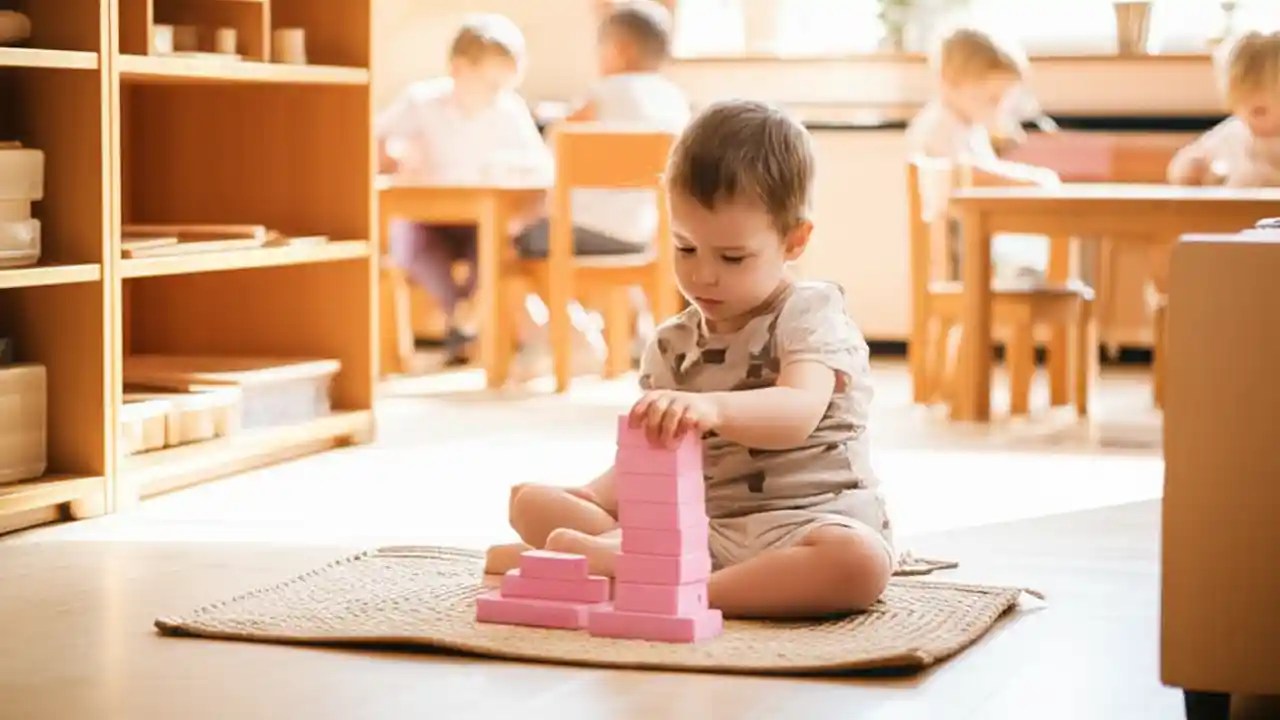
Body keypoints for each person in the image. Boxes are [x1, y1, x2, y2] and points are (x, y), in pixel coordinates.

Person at [487, 100, 895, 619]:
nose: (703, 276)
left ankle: (681, 588)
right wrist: (592, 496)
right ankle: (645, 567)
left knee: (858, 565)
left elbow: (799, 411)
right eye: (685, 249)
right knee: (529, 501)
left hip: (809, 524)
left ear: (794, 241)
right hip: (700, 531)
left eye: (731, 257)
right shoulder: (672, 344)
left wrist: (714, 409)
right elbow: (655, 456)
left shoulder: (810, 313)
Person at [375, 14, 551, 365]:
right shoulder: (421, 101)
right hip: (426, 218)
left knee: (492, 252)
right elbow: (375, 138)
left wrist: (511, 171)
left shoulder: (509, 111)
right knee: (411, 246)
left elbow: (542, 167)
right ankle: (460, 316)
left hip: (482, 221)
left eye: (504, 86)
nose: (496, 94)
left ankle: (466, 324)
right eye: (490, 84)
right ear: (458, 69)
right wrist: (393, 159)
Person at [905, 26, 1059, 281]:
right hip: (961, 262)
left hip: (974, 248)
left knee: (1035, 252)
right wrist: (1028, 179)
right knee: (1036, 264)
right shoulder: (938, 126)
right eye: (991, 99)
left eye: (1002, 100)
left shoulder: (969, 128)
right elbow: (966, 173)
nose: (997, 109)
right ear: (949, 84)